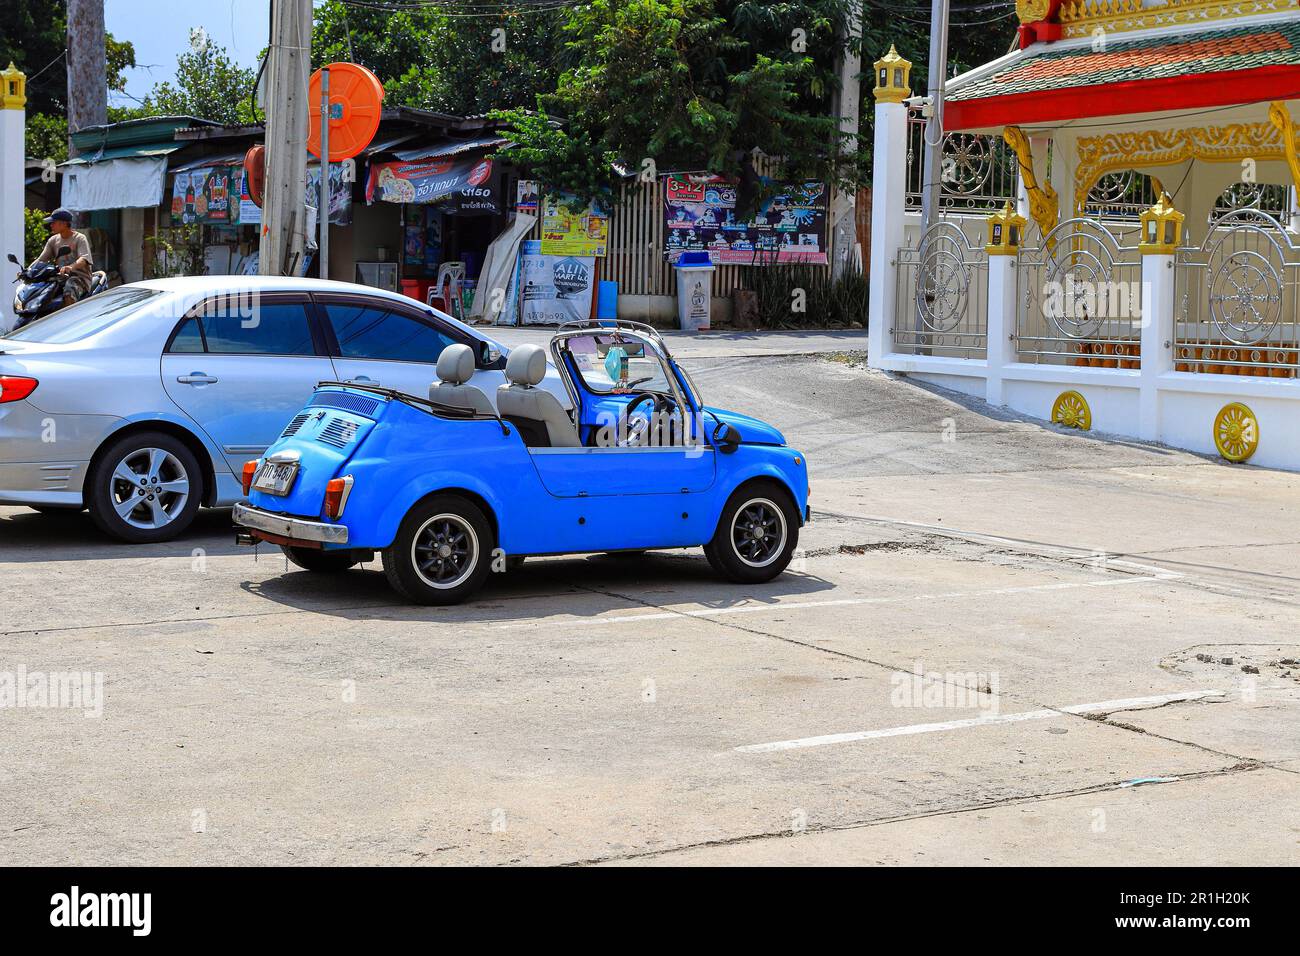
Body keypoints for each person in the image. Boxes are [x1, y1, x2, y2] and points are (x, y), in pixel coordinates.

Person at [35, 208, 93, 304]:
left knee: (68, 292)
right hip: (60, 278)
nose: (51, 225)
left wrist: (70, 267)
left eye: (53, 222)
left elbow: (83, 259)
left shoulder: (80, 238)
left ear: (63, 224)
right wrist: (27, 271)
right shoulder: (53, 241)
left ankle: (69, 318)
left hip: (79, 279)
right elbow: (41, 259)